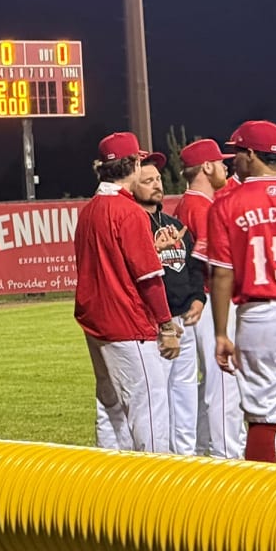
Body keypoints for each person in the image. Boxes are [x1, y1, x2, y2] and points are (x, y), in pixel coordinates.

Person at [75, 132, 183, 454]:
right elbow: (148, 278)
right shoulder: (130, 212)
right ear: (134, 164)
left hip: (96, 324)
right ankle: (153, 491)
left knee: (110, 408)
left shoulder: (89, 211)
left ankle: (109, 486)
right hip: (126, 323)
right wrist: (165, 324)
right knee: (148, 406)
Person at [208, 120, 276, 463]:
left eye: (237, 151)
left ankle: (261, 508)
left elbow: (222, 274)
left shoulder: (227, 202)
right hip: (262, 311)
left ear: (251, 154)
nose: (234, 159)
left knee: (263, 414)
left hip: (260, 315)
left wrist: (221, 332)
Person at [172, 138, 247, 458]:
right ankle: (226, 454)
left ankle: (206, 447)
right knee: (223, 384)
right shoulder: (199, 207)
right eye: (220, 162)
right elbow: (215, 263)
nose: (225, 166)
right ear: (205, 167)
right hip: (208, 300)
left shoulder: (191, 204)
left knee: (212, 385)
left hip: (201, 301)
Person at [138, 158, 205, 454]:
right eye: (148, 180)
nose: (157, 184)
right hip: (154, 324)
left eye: (158, 179)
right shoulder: (134, 227)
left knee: (185, 392)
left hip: (184, 319)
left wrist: (197, 298)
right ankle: (162, 461)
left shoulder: (175, 226)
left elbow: (192, 268)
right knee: (158, 397)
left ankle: (186, 457)